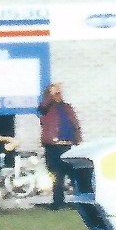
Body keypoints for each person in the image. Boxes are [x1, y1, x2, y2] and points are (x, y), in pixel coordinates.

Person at [38, 81, 82, 209]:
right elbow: (42, 107)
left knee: (73, 174)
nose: (58, 95)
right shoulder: (47, 109)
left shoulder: (67, 107)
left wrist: (78, 139)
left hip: (67, 145)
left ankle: (79, 200)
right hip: (53, 146)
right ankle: (58, 202)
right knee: (57, 174)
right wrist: (50, 94)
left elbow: (75, 123)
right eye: (55, 93)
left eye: (59, 93)